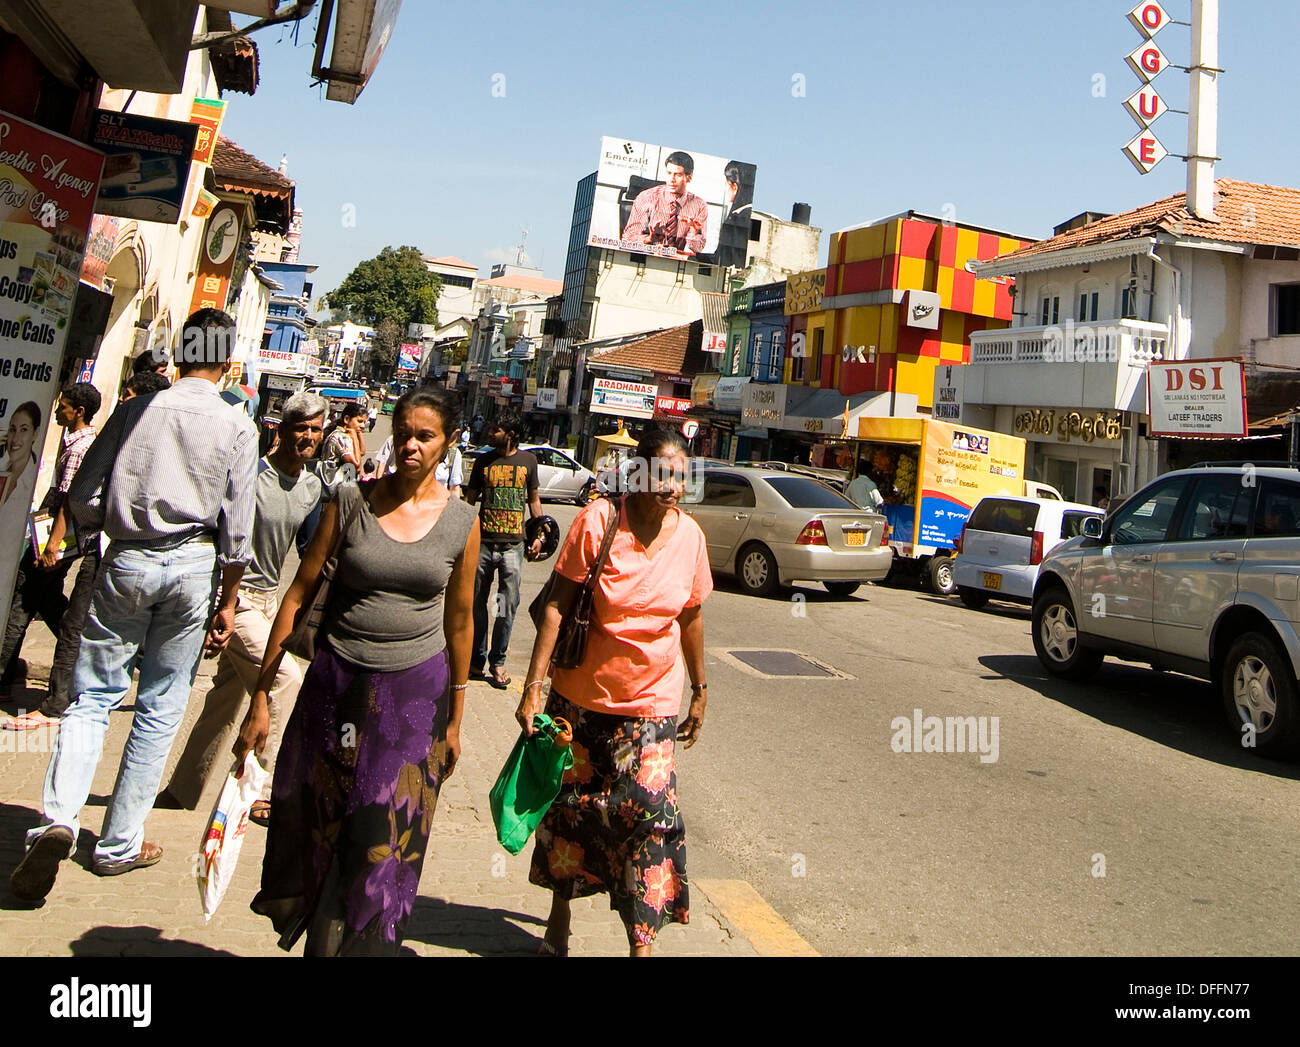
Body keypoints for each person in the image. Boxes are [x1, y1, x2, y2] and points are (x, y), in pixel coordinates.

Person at [9, 308, 257, 902]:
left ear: (179, 352)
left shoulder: (133, 410)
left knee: (93, 695)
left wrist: (108, 528)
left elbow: (84, 490)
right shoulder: (237, 426)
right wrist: (227, 600)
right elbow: (239, 528)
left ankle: (58, 821)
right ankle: (119, 843)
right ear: (226, 359)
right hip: (195, 566)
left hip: (127, 562)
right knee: (160, 706)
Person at [236, 387, 478, 955]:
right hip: (336, 690)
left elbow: (461, 622)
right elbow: (297, 596)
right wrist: (261, 698)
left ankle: (366, 947)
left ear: (445, 445)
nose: (412, 445)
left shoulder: (462, 522)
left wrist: (456, 720)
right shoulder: (349, 502)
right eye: (404, 432)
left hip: (413, 700)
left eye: (426, 436)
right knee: (321, 826)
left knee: (382, 837)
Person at [518, 428, 712, 956]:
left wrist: (699, 687)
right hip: (579, 701)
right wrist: (534, 686)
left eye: (681, 476)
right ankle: (559, 918)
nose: (672, 487)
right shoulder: (599, 520)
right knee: (571, 812)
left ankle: (641, 944)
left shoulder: (691, 538)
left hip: (651, 706)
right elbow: (557, 605)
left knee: (650, 815)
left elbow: (691, 616)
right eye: (662, 474)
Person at [158, 392, 328, 820]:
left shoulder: (311, 487)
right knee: (284, 680)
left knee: (225, 699)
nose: (307, 436)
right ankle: (262, 789)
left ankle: (182, 790)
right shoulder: (251, 474)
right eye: (300, 428)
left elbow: (310, 551)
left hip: (270, 605)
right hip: (234, 600)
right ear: (282, 430)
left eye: (315, 428)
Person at [1, 384, 102, 724]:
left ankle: (3, 675)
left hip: (57, 536)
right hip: (59, 534)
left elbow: (68, 500)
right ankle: (76, 661)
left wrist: (52, 544)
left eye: (65, 407)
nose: (59, 411)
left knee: (22, 597)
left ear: (79, 413)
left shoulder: (79, 447)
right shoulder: (77, 442)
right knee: (43, 600)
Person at [464, 413, 544, 688]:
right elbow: (469, 501)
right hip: (482, 544)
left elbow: (534, 502)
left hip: (513, 546)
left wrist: (540, 535)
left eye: (495, 428)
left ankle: (497, 663)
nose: (489, 432)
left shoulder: (528, 462)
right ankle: (476, 660)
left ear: (510, 434)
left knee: (505, 607)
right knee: (477, 604)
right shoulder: (483, 462)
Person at [0, 402, 44, 696]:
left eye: (24, 430)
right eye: (13, 429)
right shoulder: (4, 467)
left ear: (35, 434)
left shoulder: (31, 477)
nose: (16, 438)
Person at [621, 150, 708, 258]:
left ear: (688, 177)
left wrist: (696, 232)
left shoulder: (699, 205)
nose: (671, 179)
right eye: (669, 173)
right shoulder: (646, 197)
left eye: (677, 175)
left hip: (675, 263)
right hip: (645, 258)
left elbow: (696, 249)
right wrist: (649, 238)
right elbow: (627, 238)